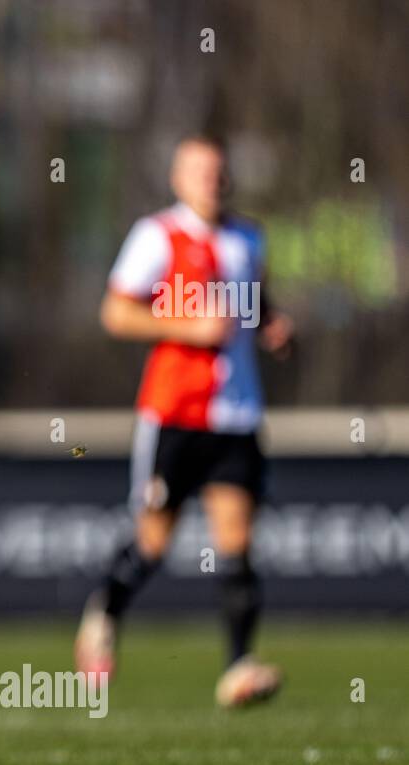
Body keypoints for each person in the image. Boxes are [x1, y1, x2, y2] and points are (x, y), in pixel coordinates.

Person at [75, 135, 294, 707]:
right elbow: (117, 312)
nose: (212, 182)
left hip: (238, 414)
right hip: (176, 414)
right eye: (200, 172)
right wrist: (188, 327)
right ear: (178, 179)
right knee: (153, 541)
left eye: (219, 173)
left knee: (238, 541)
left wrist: (271, 324)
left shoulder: (249, 236)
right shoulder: (158, 236)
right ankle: (104, 613)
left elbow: (255, 299)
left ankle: (239, 664)